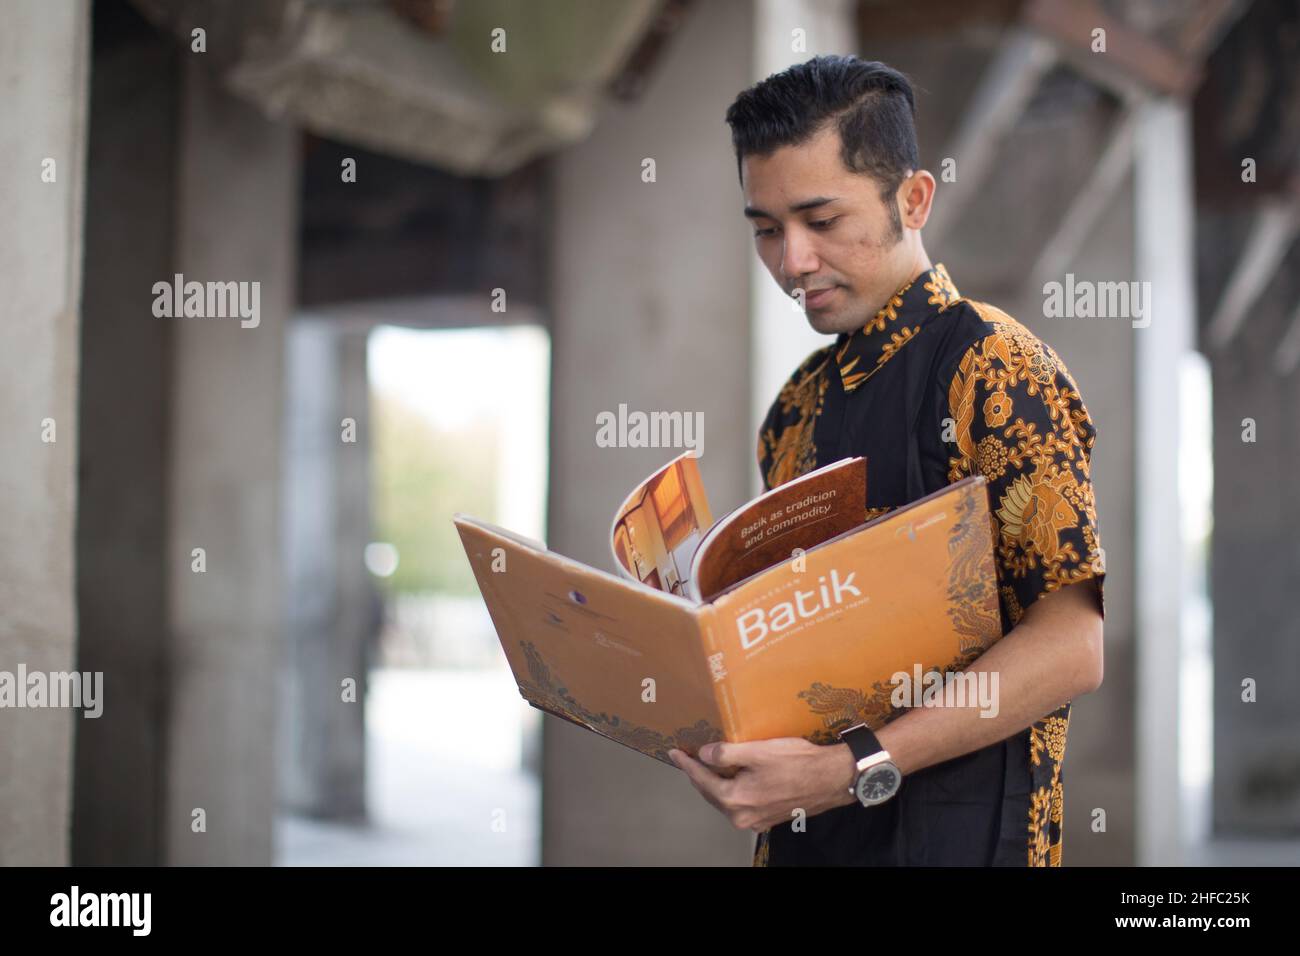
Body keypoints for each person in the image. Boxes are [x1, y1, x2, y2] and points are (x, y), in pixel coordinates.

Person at [667, 55, 1106, 867]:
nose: (791, 262)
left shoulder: (996, 367)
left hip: (965, 839)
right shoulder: (794, 410)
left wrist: (851, 770)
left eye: (821, 220)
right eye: (766, 229)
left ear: (912, 198)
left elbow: (1072, 647)